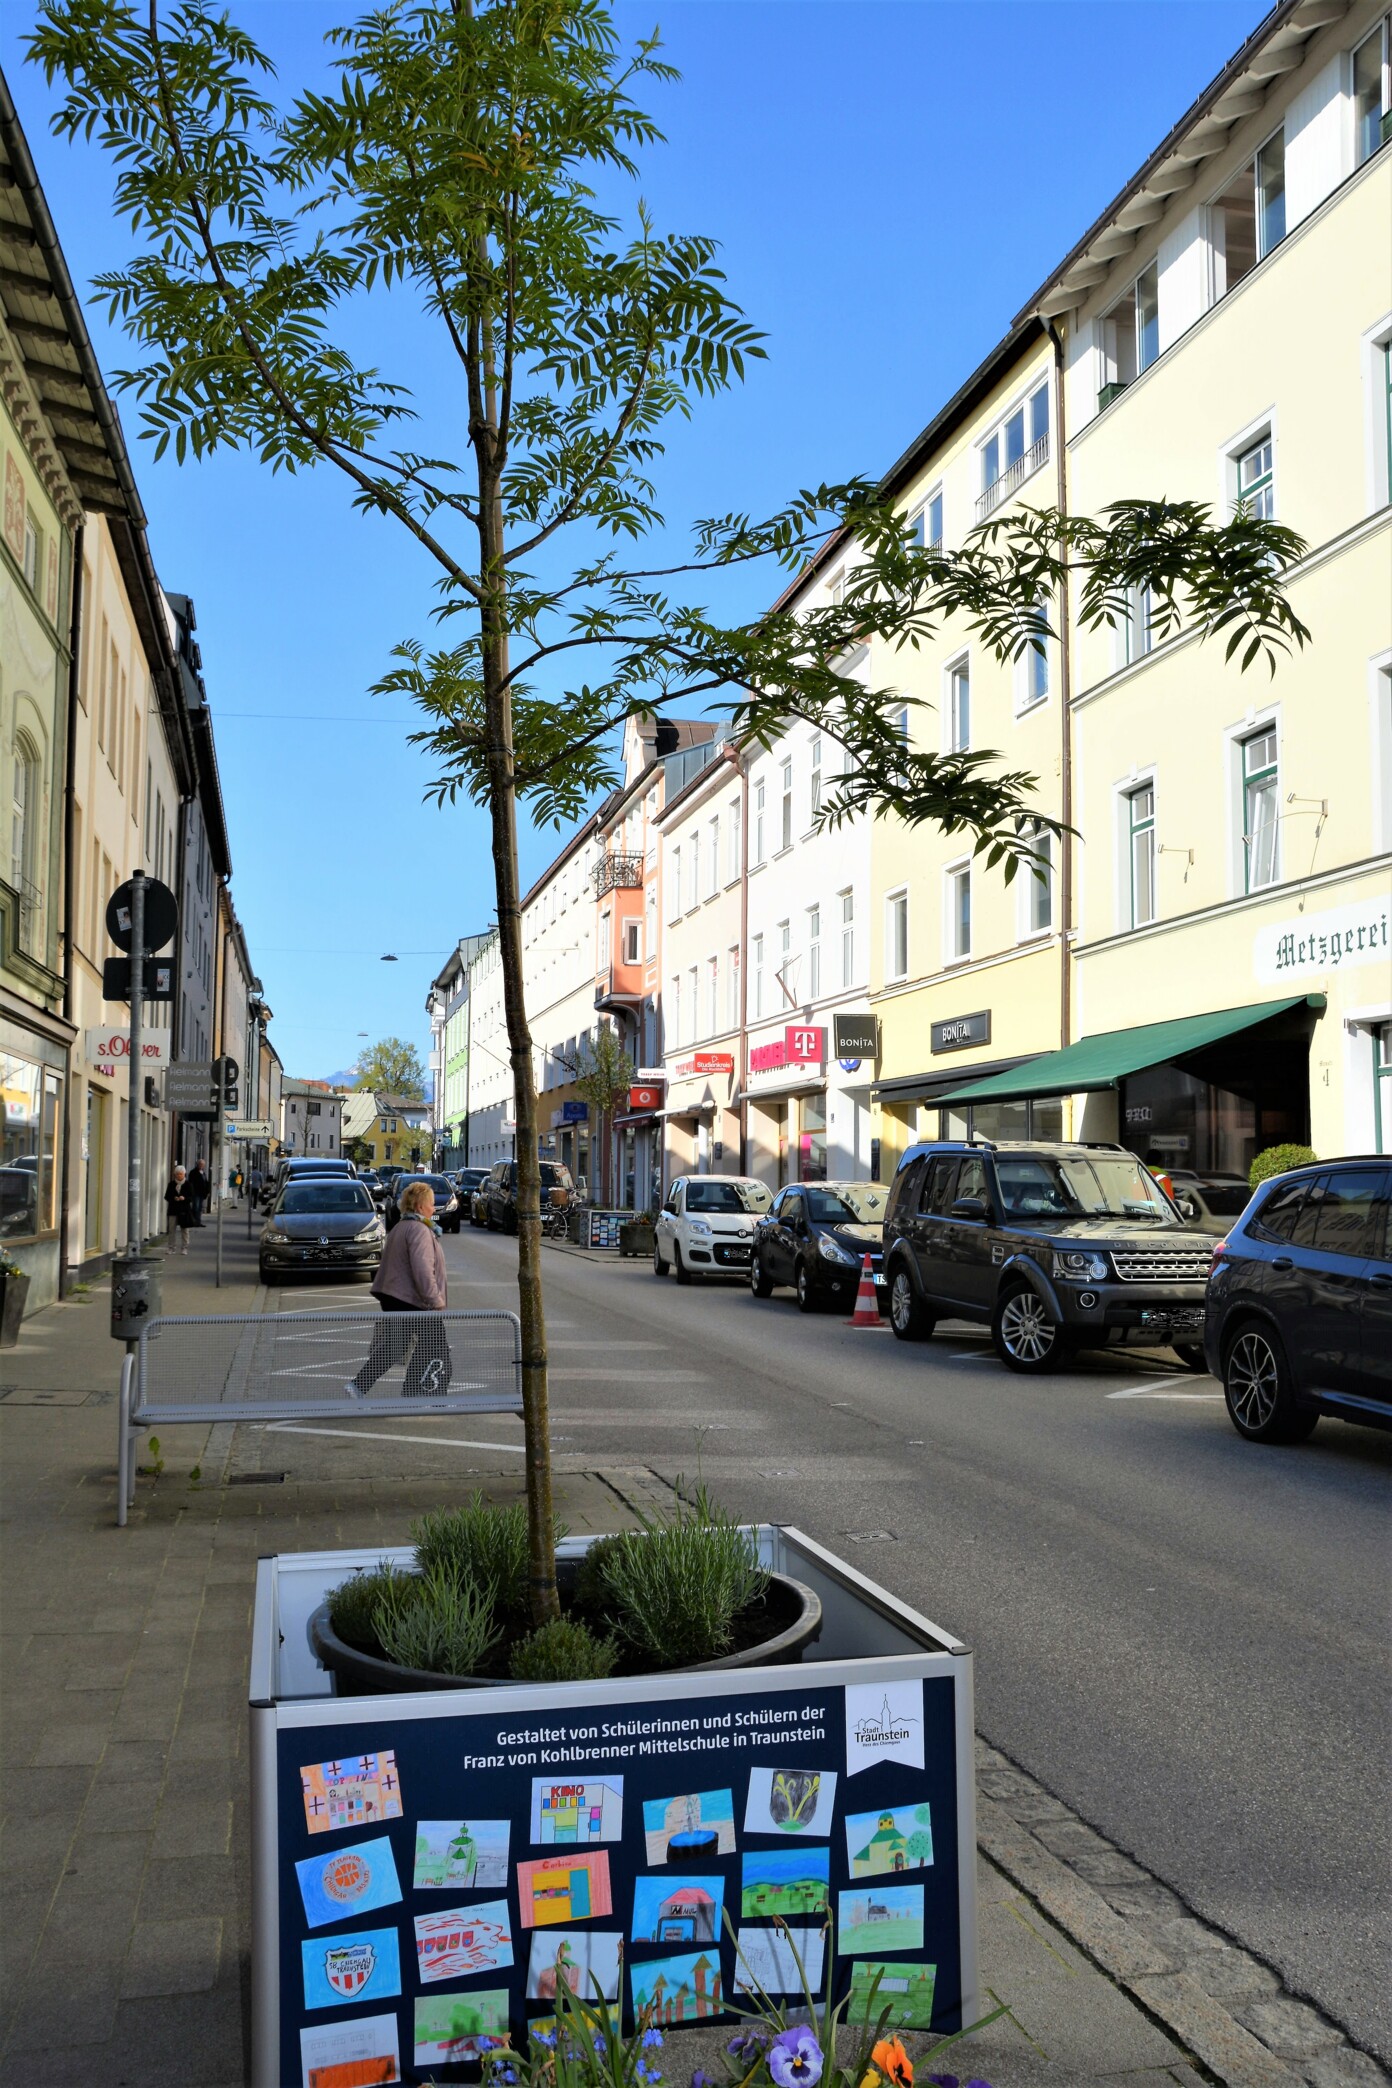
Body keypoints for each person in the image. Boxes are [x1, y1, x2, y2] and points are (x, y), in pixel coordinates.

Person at [346, 1177, 450, 1399]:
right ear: (421, 1206)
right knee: (435, 1346)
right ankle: (423, 1394)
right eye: (431, 1203)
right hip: (412, 1299)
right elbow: (423, 1270)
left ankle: (359, 1386)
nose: (434, 1207)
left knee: (395, 1346)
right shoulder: (419, 1231)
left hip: (394, 1296)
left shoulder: (402, 1227)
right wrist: (435, 1300)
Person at [164, 1166, 193, 1255]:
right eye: (177, 1174)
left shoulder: (188, 1184)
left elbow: (192, 1197)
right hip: (173, 1209)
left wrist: (184, 1198)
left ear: (184, 1174)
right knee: (171, 1229)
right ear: (175, 1175)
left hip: (184, 1210)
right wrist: (174, 1198)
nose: (179, 1176)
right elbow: (167, 1196)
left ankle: (184, 1248)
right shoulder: (171, 1184)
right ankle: (171, 1247)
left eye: (181, 1174)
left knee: (185, 1230)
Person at [185, 1159, 210, 1227]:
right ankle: (194, 1221)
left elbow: (205, 1182)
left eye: (203, 1165)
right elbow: (191, 1183)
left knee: (199, 1208)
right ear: (198, 1164)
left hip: (202, 1193)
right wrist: (191, 1192)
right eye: (200, 1164)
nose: (202, 1166)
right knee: (195, 1207)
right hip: (196, 1193)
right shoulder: (193, 1172)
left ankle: (198, 1222)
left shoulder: (203, 1172)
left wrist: (207, 1191)